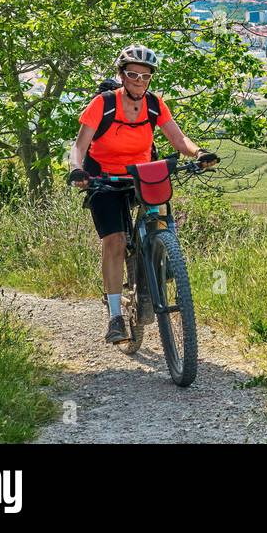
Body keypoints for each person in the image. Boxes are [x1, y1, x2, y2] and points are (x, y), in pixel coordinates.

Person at [66, 44, 217, 343]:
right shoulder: (103, 104)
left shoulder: (154, 104)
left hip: (140, 173)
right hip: (103, 177)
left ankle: (162, 257)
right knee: (116, 241)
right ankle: (115, 317)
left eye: (145, 76)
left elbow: (177, 138)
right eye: (133, 74)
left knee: (159, 217)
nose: (139, 81)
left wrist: (199, 152)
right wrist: (77, 170)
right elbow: (79, 146)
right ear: (121, 75)